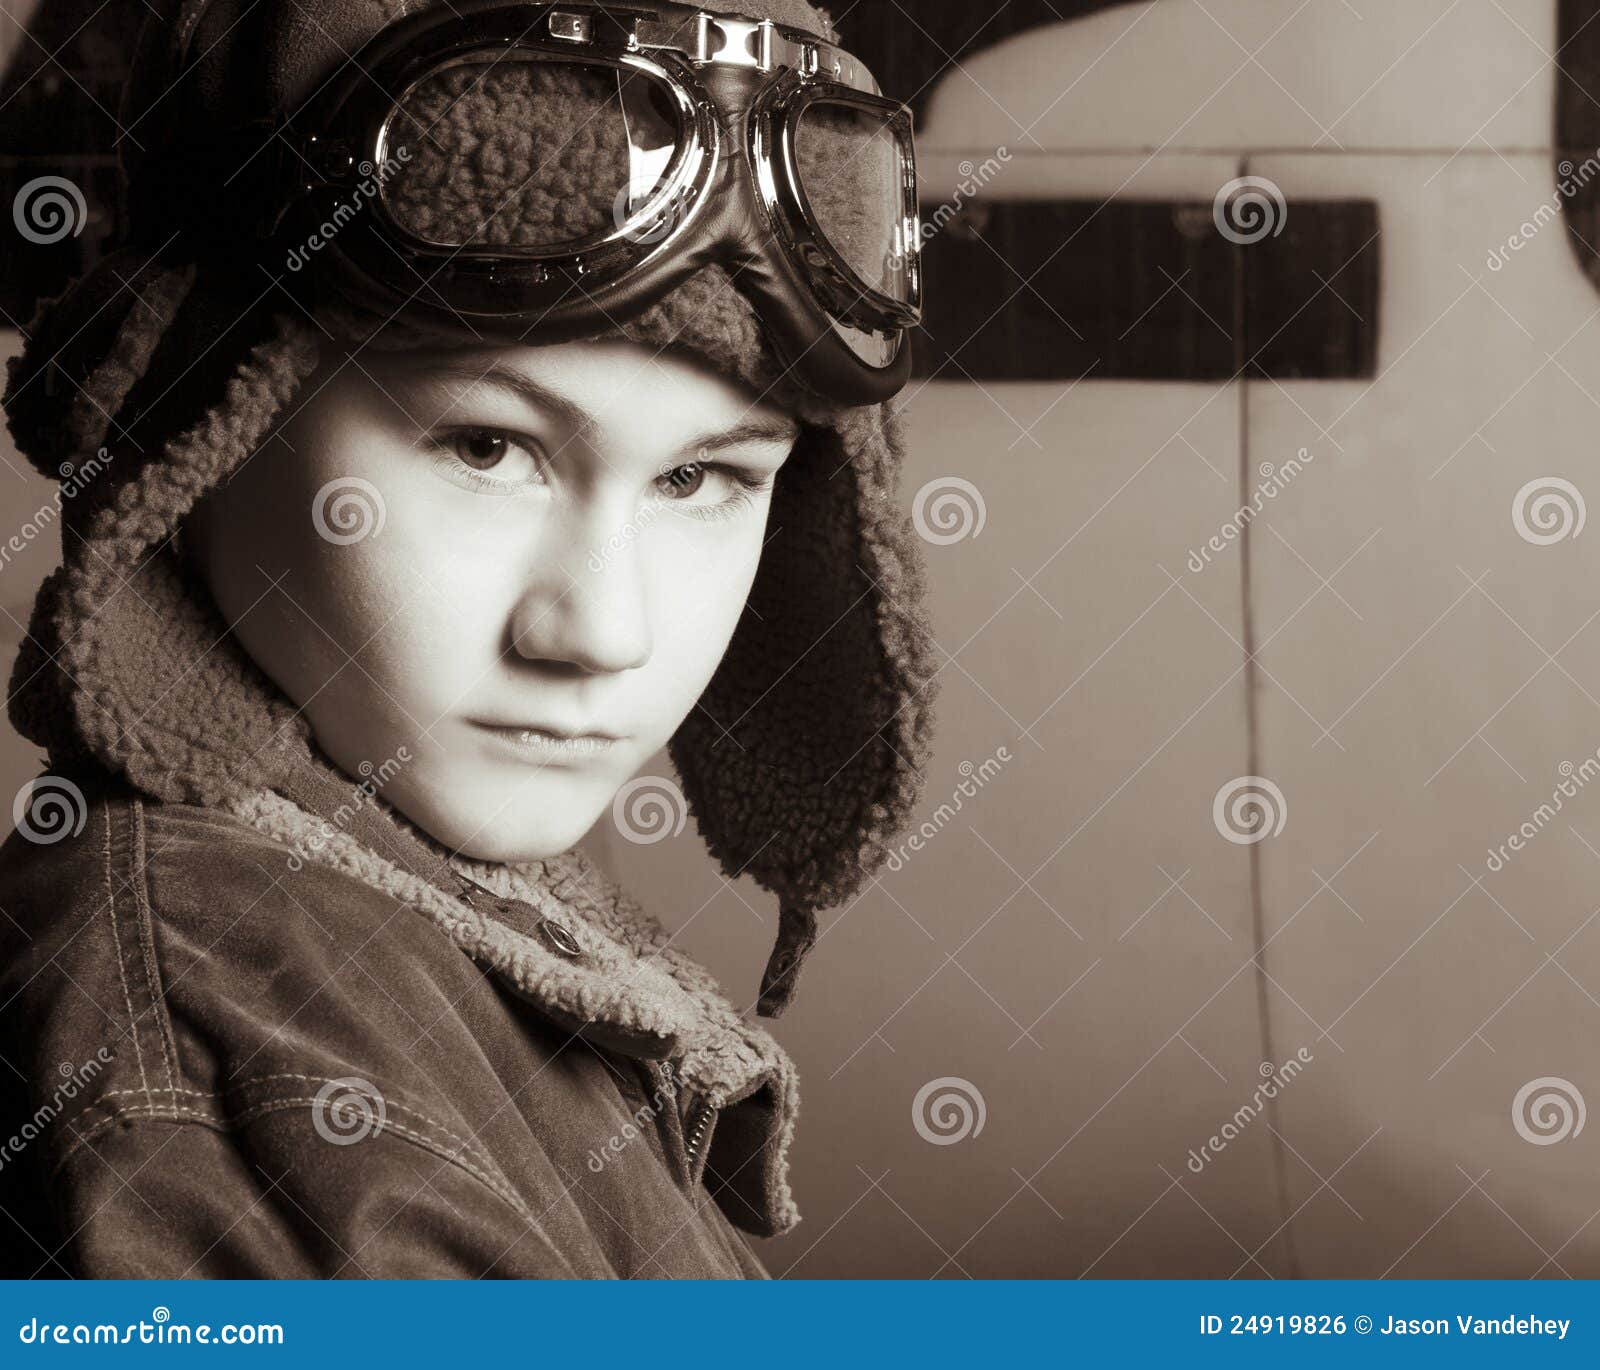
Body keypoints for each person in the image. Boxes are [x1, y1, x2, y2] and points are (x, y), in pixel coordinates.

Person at [0, 0, 938, 1278]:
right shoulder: (224, 1069)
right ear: (199, 425)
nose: (602, 629)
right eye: (486, 448)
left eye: (701, 478)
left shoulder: (409, 890)